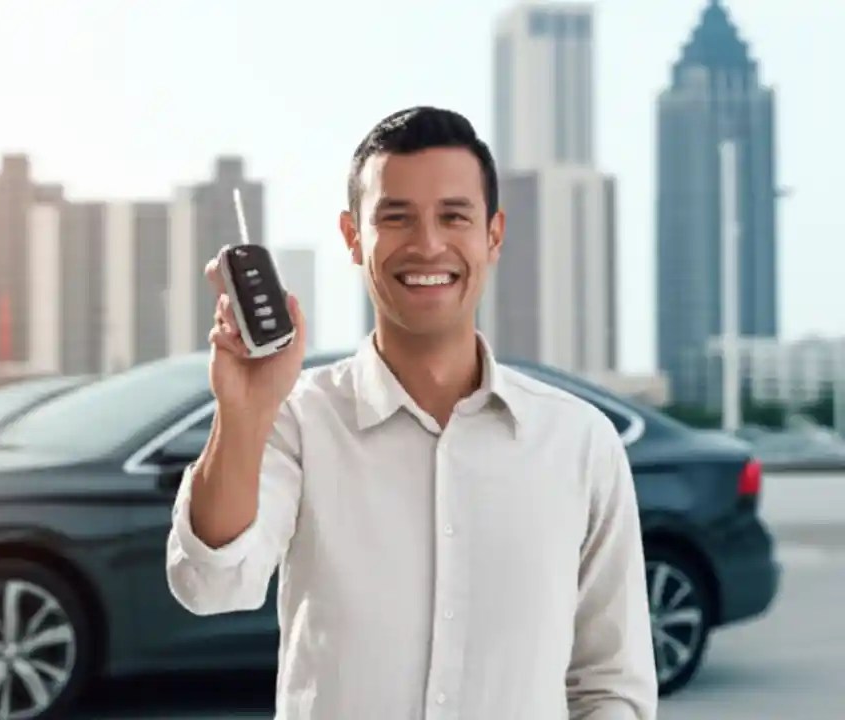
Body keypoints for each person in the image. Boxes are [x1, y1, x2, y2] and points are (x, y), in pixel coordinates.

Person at [165, 106, 657, 719]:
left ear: (493, 236)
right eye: (395, 218)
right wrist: (242, 411)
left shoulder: (580, 442)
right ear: (353, 238)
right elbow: (211, 585)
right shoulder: (296, 420)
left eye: (455, 217)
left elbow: (611, 686)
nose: (428, 244)